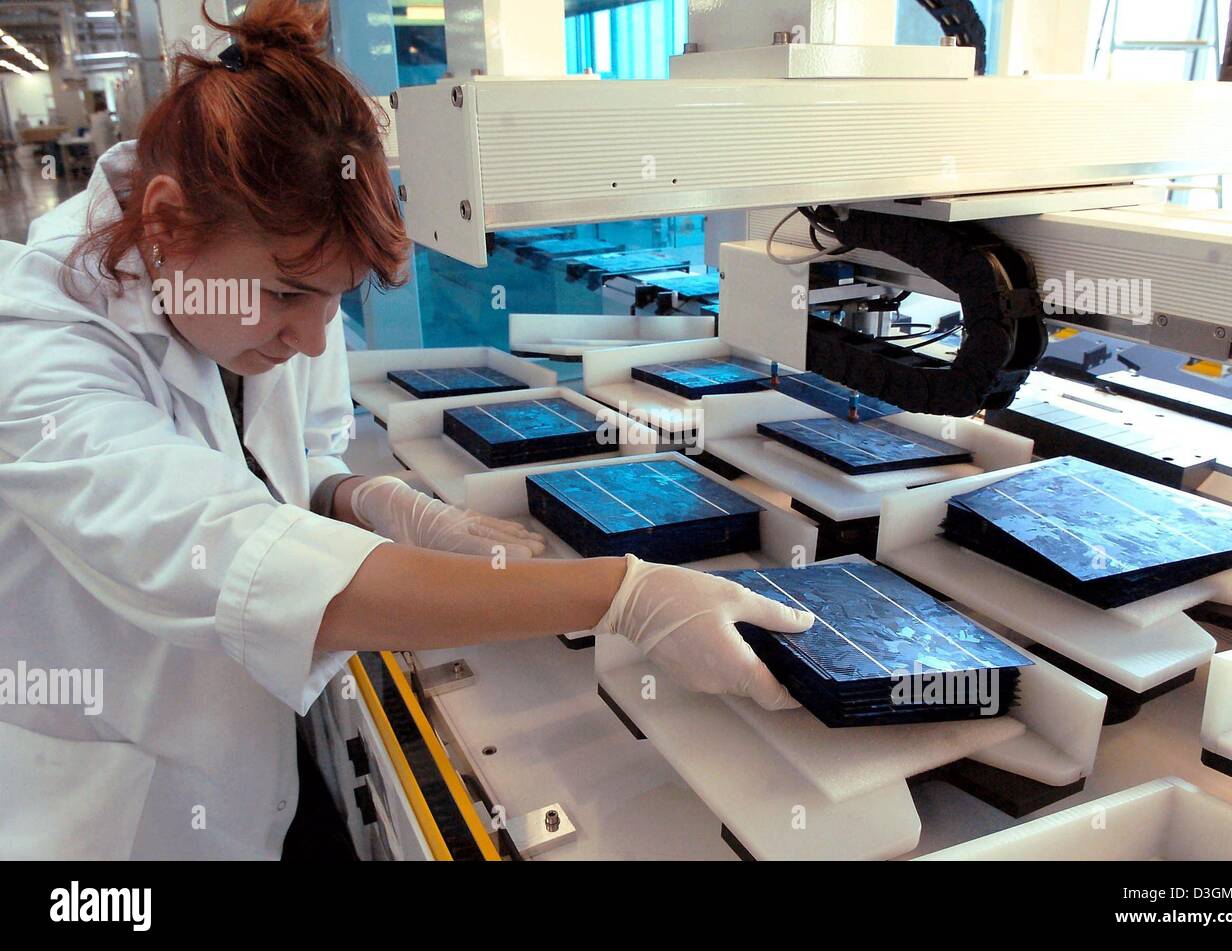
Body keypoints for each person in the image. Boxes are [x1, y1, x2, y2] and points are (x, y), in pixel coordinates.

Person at [0, 0, 812, 860]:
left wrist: (371, 497)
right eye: (287, 295)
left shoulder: (254, 276)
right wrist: (622, 595)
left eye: (336, 299)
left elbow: (295, 464)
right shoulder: (36, 352)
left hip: (252, 756)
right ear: (163, 223)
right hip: (113, 827)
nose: (315, 339)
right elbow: (231, 555)